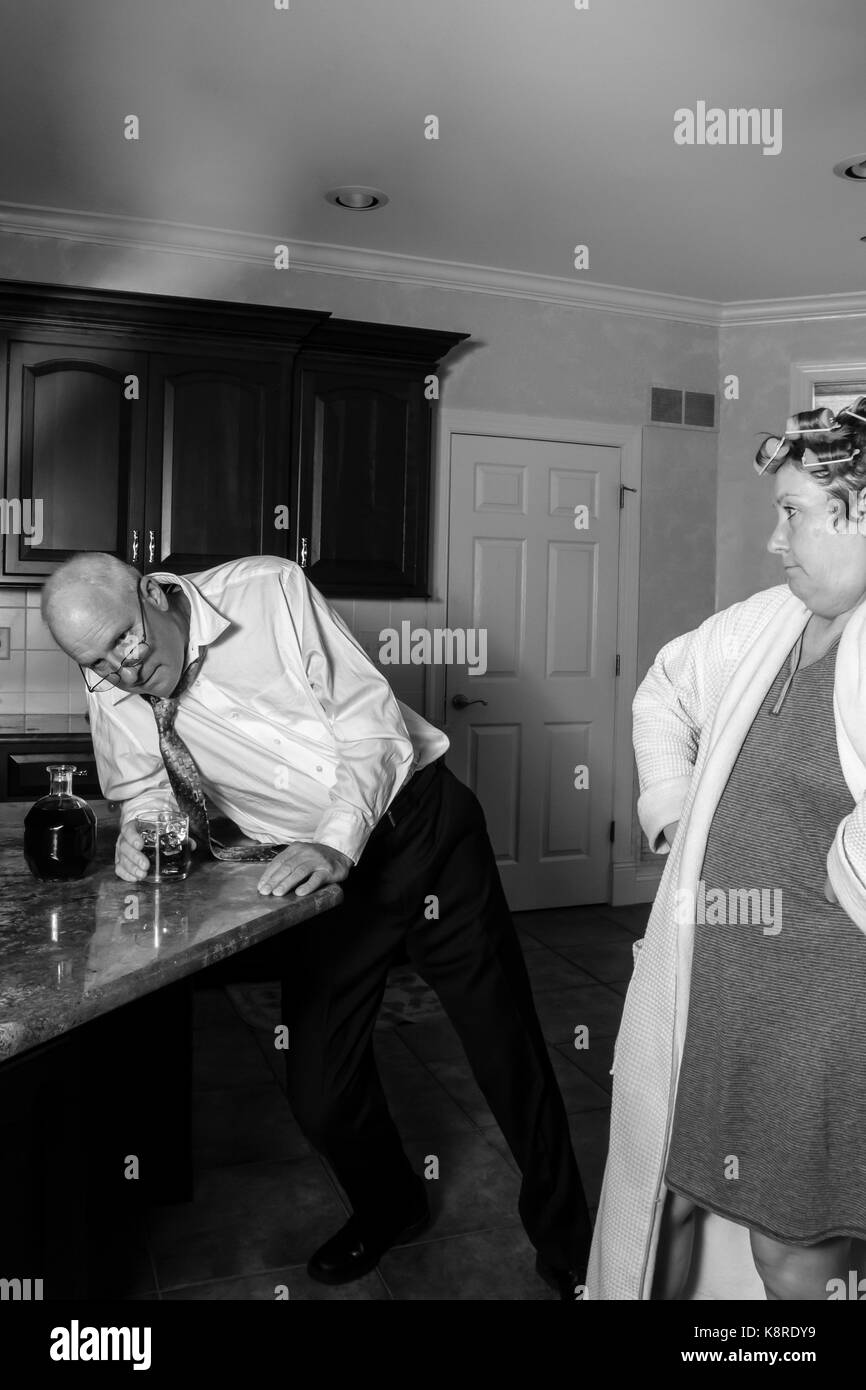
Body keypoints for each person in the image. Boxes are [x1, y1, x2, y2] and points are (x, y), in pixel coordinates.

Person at [42, 551, 592, 1298]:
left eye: (126, 643)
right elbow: (143, 787)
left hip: (418, 828)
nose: (121, 672)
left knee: (504, 1046)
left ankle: (572, 1241)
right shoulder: (108, 674)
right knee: (322, 1090)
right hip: (317, 878)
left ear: (151, 594)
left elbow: (371, 727)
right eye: (97, 663)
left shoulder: (268, 591)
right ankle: (390, 1204)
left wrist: (338, 840)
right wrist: (144, 828)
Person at [587, 399, 866, 1301]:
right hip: (721, 984)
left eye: (793, 514)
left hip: (827, 1014)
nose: (775, 540)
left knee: (798, 1252)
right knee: (726, 1226)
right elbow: (665, 689)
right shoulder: (768, 621)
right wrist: (675, 810)